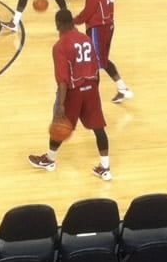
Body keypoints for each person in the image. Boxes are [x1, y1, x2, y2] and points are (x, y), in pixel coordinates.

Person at [28, 9, 112, 180]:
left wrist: (60, 104)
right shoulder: (86, 39)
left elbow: (63, 80)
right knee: (99, 129)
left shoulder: (60, 46)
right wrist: (93, 89)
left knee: (60, 125)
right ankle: (105, 168)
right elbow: (96, 69)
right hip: (91, 87)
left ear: (58, 24)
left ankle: (50, 160)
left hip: (74, 91)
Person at [73, 0, 132, 102]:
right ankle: (122, 88)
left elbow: (89, 10)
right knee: (103, 60)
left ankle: (92, 100)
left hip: (97, 28)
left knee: (94, 62)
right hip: (109, 26)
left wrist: (74, 21)